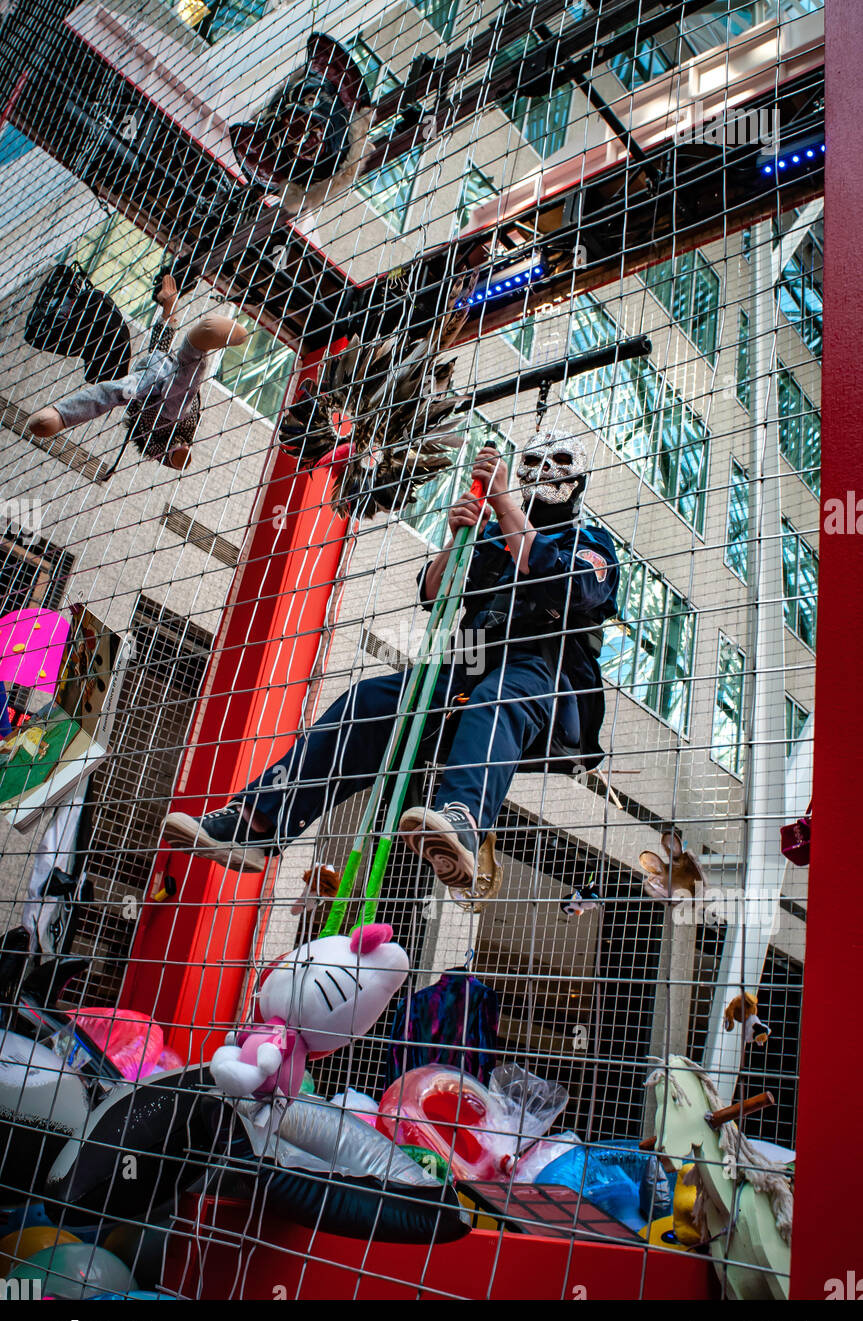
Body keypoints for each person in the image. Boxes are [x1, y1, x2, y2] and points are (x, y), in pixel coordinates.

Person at [162, 428, 620, 888]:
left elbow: (571, 585)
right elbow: (434, 590)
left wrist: (504, 504)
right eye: (534, 461)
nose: (543, 472)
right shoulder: (494, 535)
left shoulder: (591, 541)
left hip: (540, 671)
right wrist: (457, 538)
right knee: (368, 700)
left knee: (496, 697)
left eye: (559, 461)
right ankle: (256, 822)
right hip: (472, 663)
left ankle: (460, 821)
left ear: (579, 477)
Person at [25, 276, 247, 470]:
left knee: (124, 392)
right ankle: (196, 340)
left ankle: (61, 415)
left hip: (155, 403)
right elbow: (160, 350)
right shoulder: (175, 417)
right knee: (159, 386)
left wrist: (176, 453)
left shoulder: (155, 431)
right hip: (159, 381)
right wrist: (170, 311)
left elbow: (158, 448)